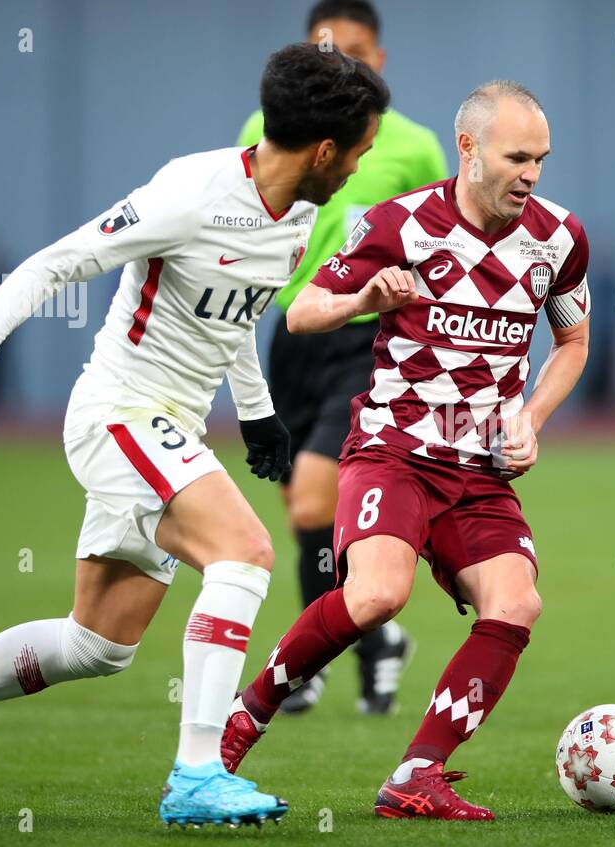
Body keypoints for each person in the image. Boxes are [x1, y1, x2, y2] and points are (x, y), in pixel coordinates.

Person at [0, 43, 389, 828]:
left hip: (172, 429)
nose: (359, 169)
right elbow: (53, 264)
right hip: (119, 414)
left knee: (97, 644)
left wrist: (259, 410)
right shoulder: (189, 193)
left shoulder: (301, 218)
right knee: (245, 553)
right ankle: (198, 775)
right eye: (360, 152)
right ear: (326, 149)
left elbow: (229, 318)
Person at [220, 80, 592, 820]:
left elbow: (573, 340)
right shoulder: (402, 224)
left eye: (541, 160)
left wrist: (532, 418)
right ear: (469, 148)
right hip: (394, 452)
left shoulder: (559, 238)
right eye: (517, 157)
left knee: (517, 605)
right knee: (376, 595)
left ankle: (418, 770)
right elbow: (301, 312)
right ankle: (242, 719)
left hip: (480, 472)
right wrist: (364, 300)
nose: (532, 174)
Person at [235, 0, 448, 715]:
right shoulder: (268, 133)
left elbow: (436, 247)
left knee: (312, 502)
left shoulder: (412, 146)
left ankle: (307, 658)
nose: (341, 62)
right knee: (307, 512)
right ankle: (373, 643)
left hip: (364, 338)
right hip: (291, 335)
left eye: (354, 50)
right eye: (325, 49)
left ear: (379, 60)